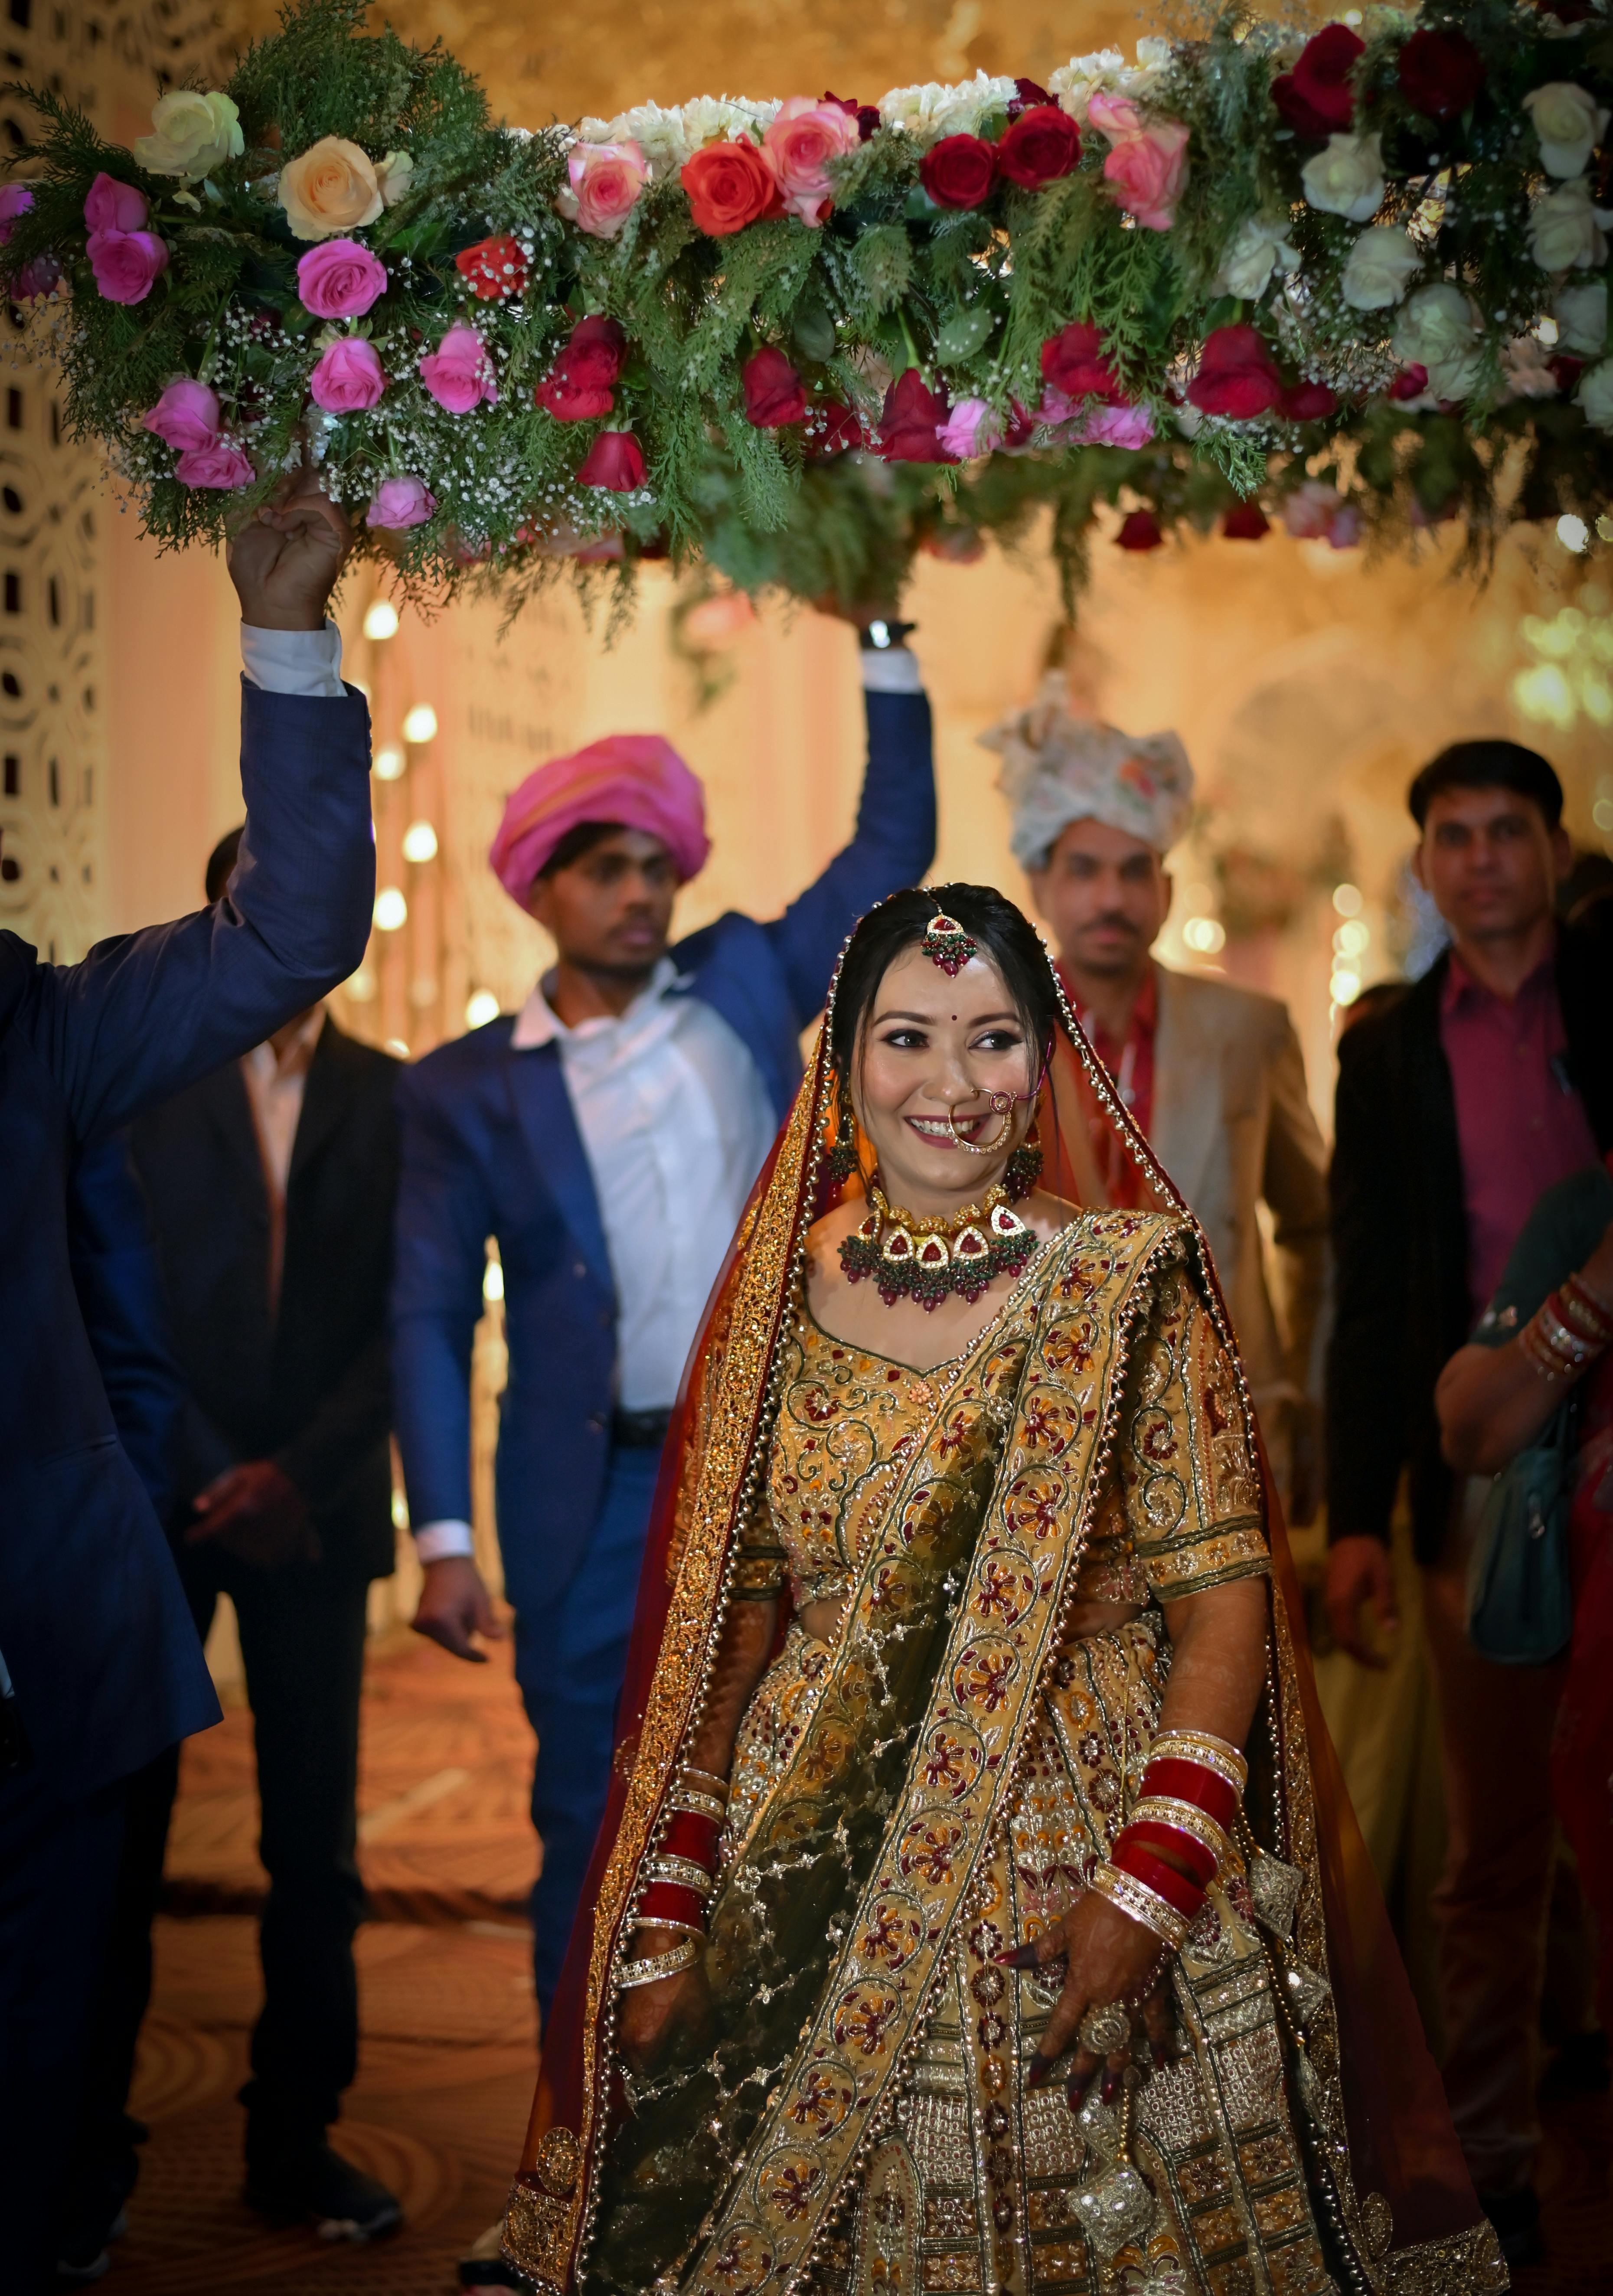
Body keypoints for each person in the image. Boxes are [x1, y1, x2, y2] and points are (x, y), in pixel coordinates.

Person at [499, 883, 1499, 2296]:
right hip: (810, 1854)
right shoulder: (777, 1301)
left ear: (1048, 1059)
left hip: (1090, 1820)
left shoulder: (1125, 1283)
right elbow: (737, 1622)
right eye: (908, 1037)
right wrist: (674, 1899)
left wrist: (1149, 1883)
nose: (951, 1085)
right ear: (846, 1068)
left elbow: (1221, 1602)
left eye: (993, 1038)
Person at [392, 627, 935, 2045]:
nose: (640, 893)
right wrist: (444, 1540)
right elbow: (429, 1311)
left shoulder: (751, 979)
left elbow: (895, 837)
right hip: (598, 1494)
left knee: (795, 1788)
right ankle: (577, 2151)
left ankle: (764, 2154)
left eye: (656, 866)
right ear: (543, 888)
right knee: (589, 1801)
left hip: (781, 1463)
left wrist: (885, 643)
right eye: (606, 868)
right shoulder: (466, 1092)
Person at [0, 469, 373, 2296]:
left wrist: (286, 631)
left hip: (41, 1668)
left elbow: (290, 935)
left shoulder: (37, 1024)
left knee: (46, 2081)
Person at [62, 826, 403, 2251]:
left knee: (312, 1845)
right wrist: (211, 1469)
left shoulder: (393, 1094)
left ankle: (293, 2134)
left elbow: (413, 1315)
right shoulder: (140, 1080)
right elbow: (96, 1290)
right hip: (157, 1503)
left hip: (315, 1516)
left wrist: (299, 1478)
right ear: (219, 918)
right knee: (118, 1842)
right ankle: (87, 2156)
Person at [1325, 738, 1613, 2260]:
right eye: (1457, 834)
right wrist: (1363, 1512)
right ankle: (1496, 2153)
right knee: (1493, 1846)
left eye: (1511, 829)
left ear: (1556, 852)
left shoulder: (1609, 998)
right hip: (1487, 1468)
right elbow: (1373, 1295)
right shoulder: (1386, 1053)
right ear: (1427, 863)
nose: (1486, 856)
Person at [983, 682, 1329, 1519]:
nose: (1112, 897)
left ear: (1167, 891)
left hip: (1227, 1423)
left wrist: (1309, 1398)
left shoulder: (1248, 1030)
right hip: (1041, 1439)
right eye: (1086, 871)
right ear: (1040, 883)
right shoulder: (984, 1036)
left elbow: (1316, 1222)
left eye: (1136, 871)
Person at [1436, 1158, 1613, 2044]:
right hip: (1596, 1643)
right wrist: (1598, 1288)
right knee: (1498, 1860)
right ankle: (1493, 2157)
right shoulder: (1588, 1211)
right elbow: (1470, 1425)